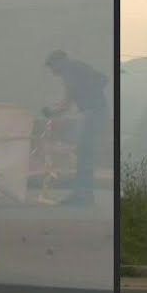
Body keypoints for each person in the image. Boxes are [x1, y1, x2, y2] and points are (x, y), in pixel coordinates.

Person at [43, 50, 109, 206]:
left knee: (85, 153)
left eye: (52, 66)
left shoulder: (72, 70)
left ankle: (83, 196)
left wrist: (52, 112)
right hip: (93, 112)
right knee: (84, 153)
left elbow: (67, 102)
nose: (52, 71)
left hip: (92, 113)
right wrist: (53, 112)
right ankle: (83, 194)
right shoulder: (74, 71)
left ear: (60, 62)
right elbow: (69, 100)